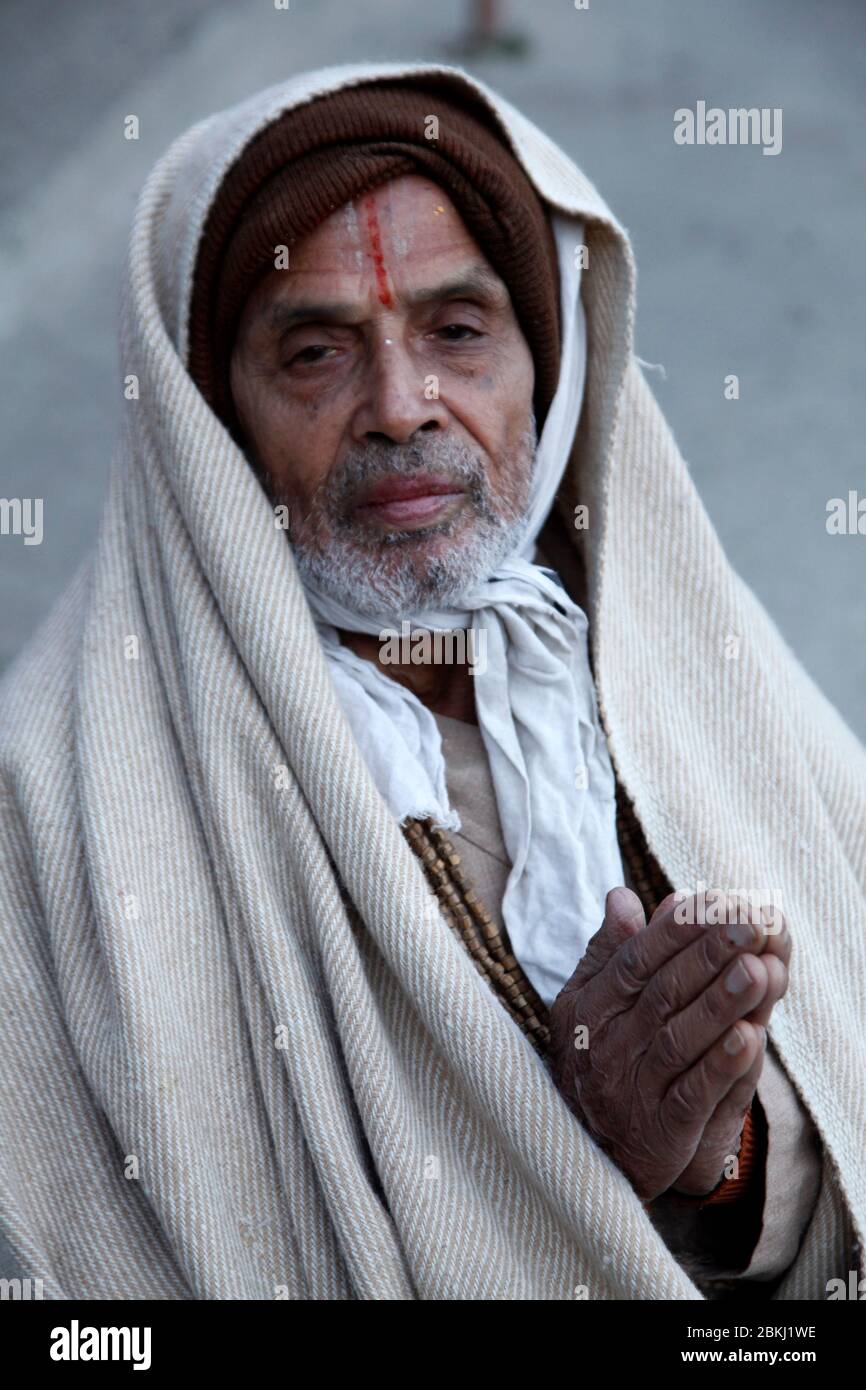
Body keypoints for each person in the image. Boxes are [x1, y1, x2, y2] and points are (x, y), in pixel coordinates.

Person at [0, 61, 863, 1301]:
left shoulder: (669, 663)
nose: (401, 408)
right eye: (313, 351)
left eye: (457, 332)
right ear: (214, 417)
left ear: (548, 365)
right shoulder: (53, 810)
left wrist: (713, 1168)